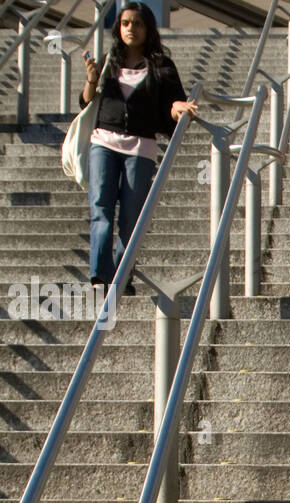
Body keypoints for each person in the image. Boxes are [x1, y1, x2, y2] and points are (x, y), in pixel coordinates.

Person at [80, 1, 197, 291]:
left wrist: (177, 108)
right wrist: (92, 79)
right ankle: (99, 277)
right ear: (119, 28)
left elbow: (171, 105)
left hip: (140, 148)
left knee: (132, 219)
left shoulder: (162, 66)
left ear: (148, 28)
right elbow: (85, 102)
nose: (131, 29)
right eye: (126, 23)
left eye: (137, 23)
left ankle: (122, 277)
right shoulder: (109, 60)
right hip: (103, 142)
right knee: (101, 209)